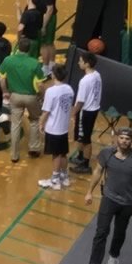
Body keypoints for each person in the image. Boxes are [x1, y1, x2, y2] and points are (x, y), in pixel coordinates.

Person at [81, 126, 132, 264]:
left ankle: (113, 257)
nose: (124, 141)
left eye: (127, 139)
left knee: (120, 231)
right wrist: (89, 191)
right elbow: (98, 171)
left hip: (128, 202)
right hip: (109, 198)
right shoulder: (106, 154)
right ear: (117, 138)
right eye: (122, 138)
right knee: (101, 232)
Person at [0, 38, 46, 162]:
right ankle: (34, 148)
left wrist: (5, 92)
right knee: (34, 120)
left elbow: (1, 79)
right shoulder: (35, 63)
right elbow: (40, 85)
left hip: (15, 96)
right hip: (31, 96)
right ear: (29, 49)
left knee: (15, 124)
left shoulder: (8, 60)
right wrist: (42, 96)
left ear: (18, 47)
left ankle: (14, 155)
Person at [38, 61, 76, 189]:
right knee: (63, 152)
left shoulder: (51, 91)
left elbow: (46, 111)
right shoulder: (69, 89)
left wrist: (41, 123)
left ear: (53, 75)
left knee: (56, 154)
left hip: (54, 128)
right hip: (64, 127)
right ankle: (64, 177)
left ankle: (55, 180)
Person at [69, 51, 103, 172]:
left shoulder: (85, 81)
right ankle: (80, 157)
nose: (79, 62)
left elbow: (80, 102)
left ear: (87, 64)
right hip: (94, 109)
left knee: (85, 138)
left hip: (86, 111)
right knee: (82, 136)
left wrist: (72, 113)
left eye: (81, 61)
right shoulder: (97, 75)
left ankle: (85, 165)